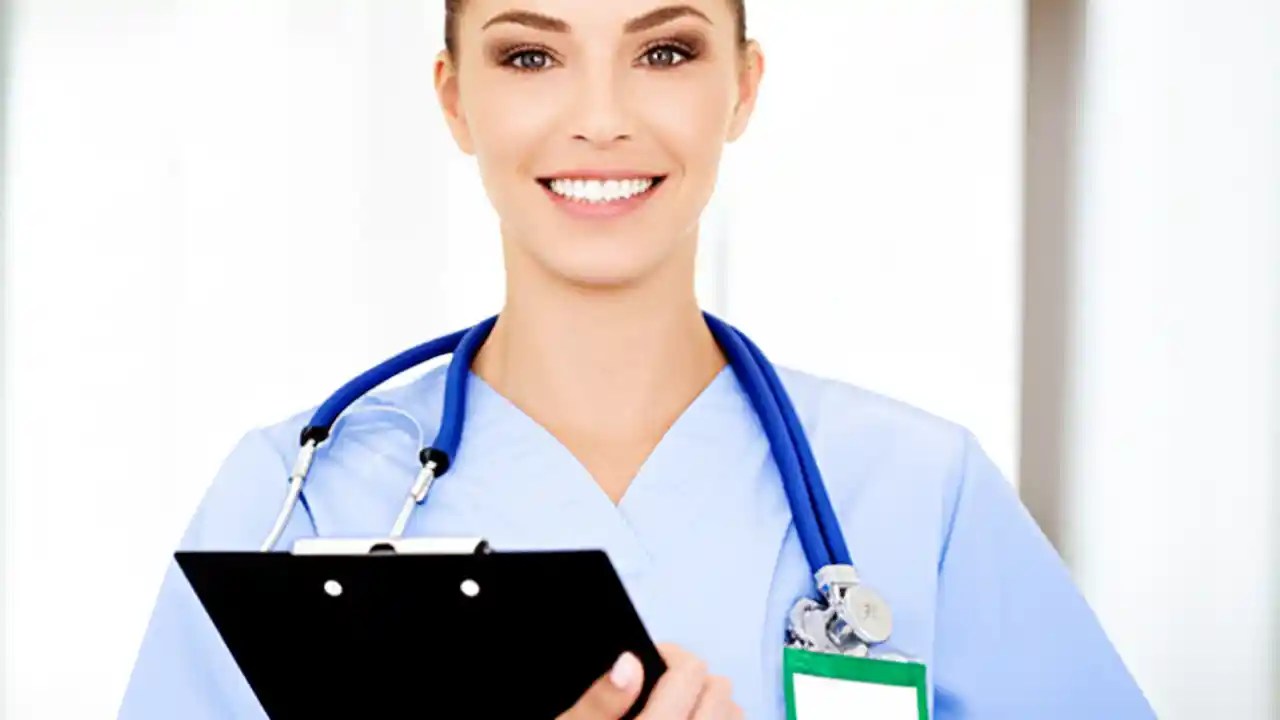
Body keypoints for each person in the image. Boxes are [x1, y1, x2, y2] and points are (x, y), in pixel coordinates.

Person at [119, 1, 1155, 717]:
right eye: (531, 57)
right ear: (454, 99)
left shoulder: (918, 492)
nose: (602, 119)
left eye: (664, 51)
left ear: (742, 88)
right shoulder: (295, 501)